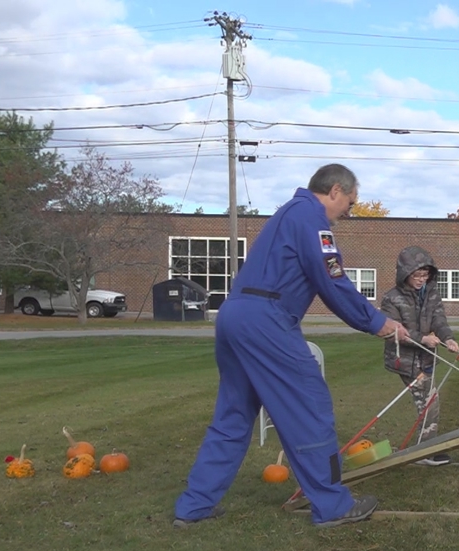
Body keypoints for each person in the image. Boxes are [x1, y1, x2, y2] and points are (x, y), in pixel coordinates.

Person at [174, 164, 410, 529]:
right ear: (334, 190)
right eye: (349, 203)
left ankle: (194, 506)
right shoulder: (311, 219)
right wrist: (378, 322)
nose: (348, 213)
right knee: (310, 407)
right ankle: (333, 505)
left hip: (234, 315)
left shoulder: (287, 213)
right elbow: (332, 280)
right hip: (266, 321)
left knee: (233, 416)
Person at [381, 246, 459, 466]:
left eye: (425, 275)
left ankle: (424, 450)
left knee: (428, 403)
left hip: (427, 359)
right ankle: (425, 453)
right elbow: (392, 332)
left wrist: (448, 339)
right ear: (405, 273)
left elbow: (439, 320)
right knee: (429, 403)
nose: (421, 279)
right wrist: (422, 339)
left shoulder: (432, 293)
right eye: (416, 275)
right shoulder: (391, 298)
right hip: (405, 361)